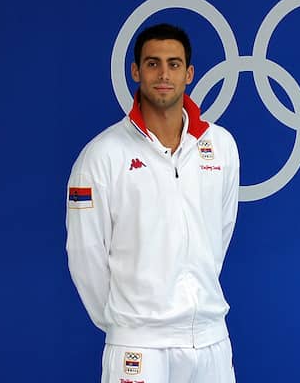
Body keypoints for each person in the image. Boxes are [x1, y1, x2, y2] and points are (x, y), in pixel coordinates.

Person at [66, 23, 240, 383]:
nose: (164, 74)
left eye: (174, 64)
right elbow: (85, 256)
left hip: (210, 341)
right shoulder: (102, 155)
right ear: (135, 71)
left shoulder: (220, 147)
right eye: (153, 63)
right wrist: (129, 322)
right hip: (139, 348)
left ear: (189, 74)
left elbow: (217, 237)